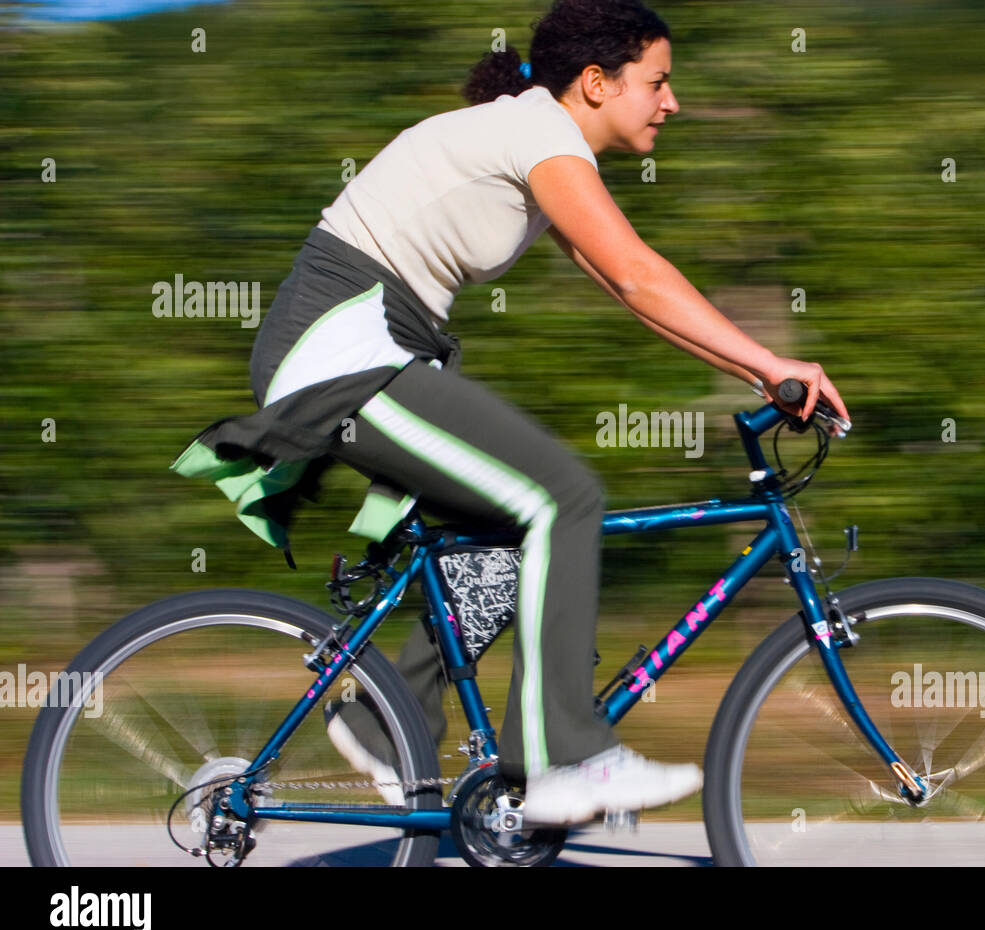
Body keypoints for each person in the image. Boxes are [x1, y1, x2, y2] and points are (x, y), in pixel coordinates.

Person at [171, 0, 851, 826]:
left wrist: (757, 376)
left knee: (508, 529)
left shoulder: (539, 142)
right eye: (658, 82)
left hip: (367, 345)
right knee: (562, 494)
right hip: (341, 349)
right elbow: (639, 274)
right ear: (596, 84)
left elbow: (627, 293)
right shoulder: (541, 136)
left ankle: (389, 725)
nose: (672, 103)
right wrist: (774, 362)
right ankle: (565, 758)